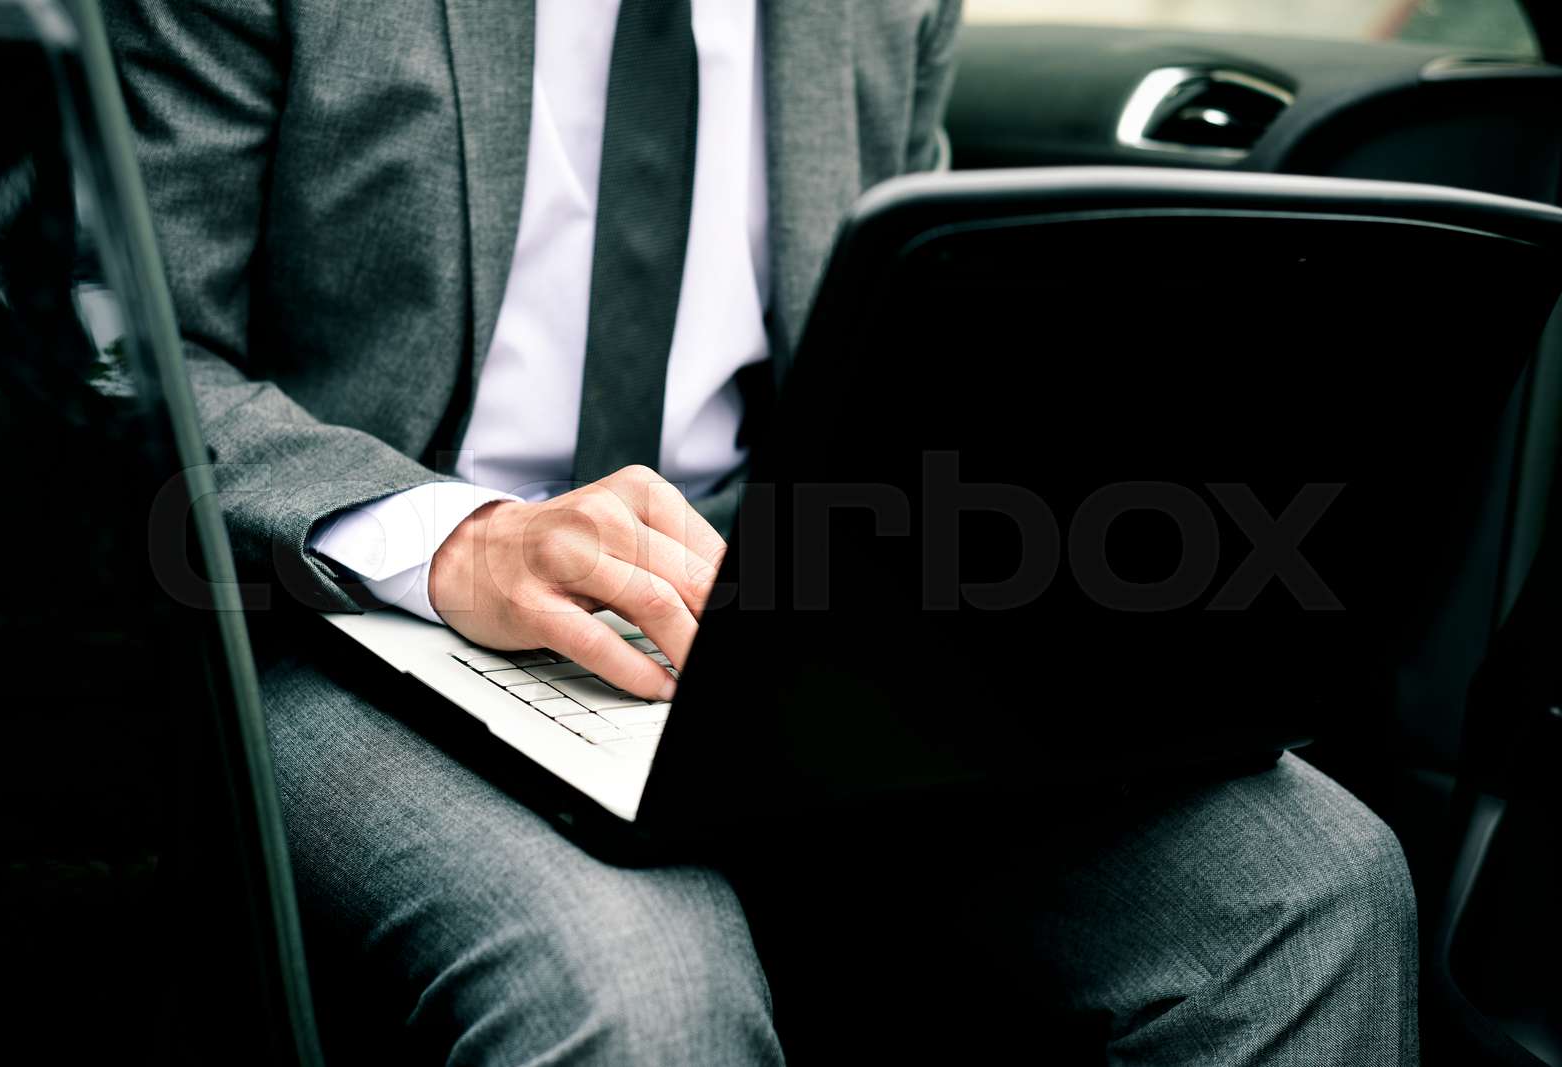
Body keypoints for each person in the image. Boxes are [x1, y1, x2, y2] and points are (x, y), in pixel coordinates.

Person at [104, 0, 1419, 1062]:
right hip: (355, 613)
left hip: (767, 600)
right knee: (637, 986)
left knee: (1315, 885)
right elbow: (125, 359)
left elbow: (905, 350)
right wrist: (448, 540)